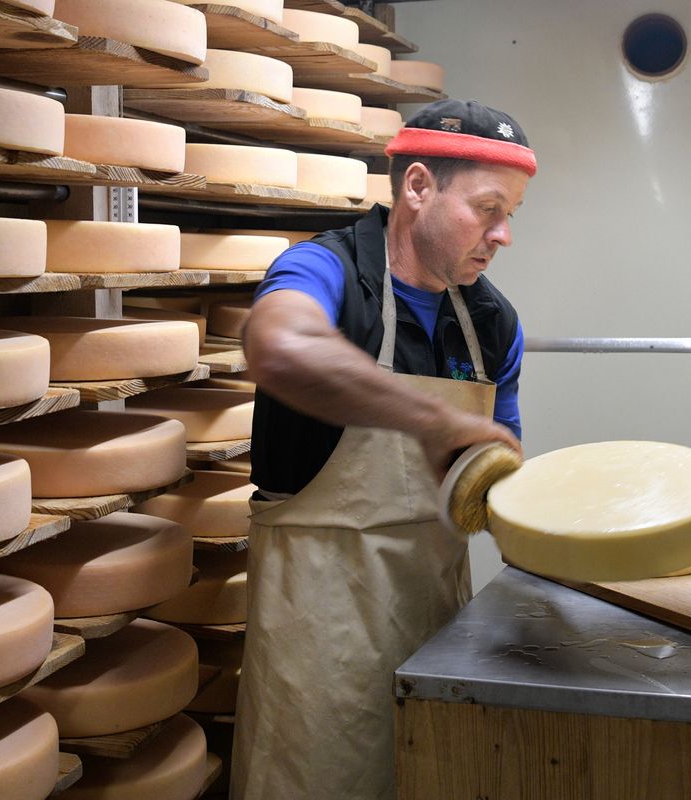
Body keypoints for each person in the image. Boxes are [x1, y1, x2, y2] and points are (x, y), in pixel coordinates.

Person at [231, 99, 536, 799]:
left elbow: (498, 483)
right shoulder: (326, 271)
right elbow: (277, 346)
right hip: (317, 647)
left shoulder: (492, 323)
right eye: (488, 209)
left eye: (512, 214)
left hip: (440, 627)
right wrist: (429, 420)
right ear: (418, 186)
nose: (504, 234)